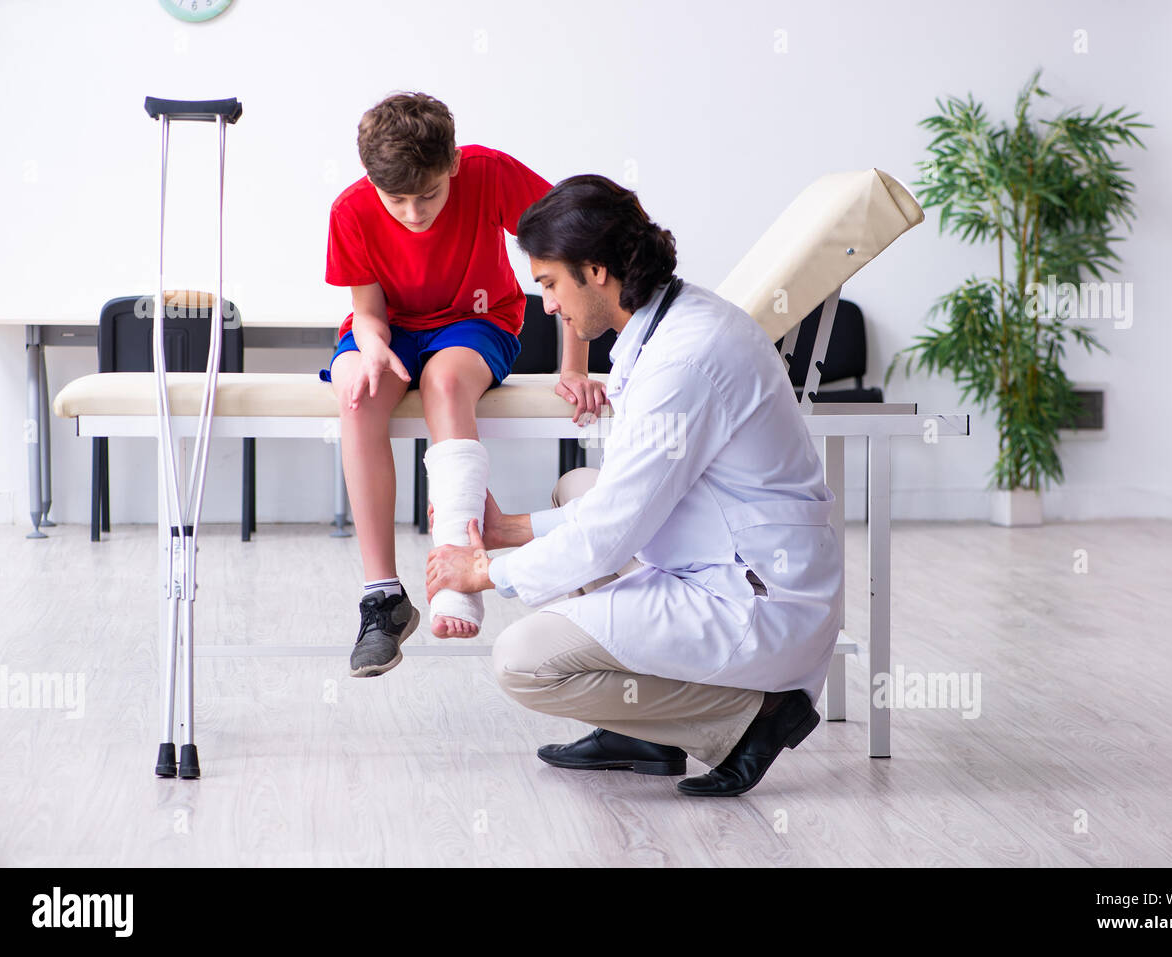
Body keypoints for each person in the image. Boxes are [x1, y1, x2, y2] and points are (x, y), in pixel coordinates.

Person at [425, 175, 845, 796]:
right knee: (577, 486)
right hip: (726, 552)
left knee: (524, 662)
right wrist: (509, 530)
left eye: (548, 284)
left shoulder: (684, 360)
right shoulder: (669, 321)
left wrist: (485, 571)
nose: (547, 306)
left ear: (595, 271)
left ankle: (751, 717)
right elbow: (620, 501)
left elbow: (608, 537)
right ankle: (641, 731)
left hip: (758, 596)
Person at [317, 92, 607, 677]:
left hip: (478, 320)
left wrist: (572, 366)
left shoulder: (489, 173)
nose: (413, 213)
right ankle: (383, 597)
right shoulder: (350, 209)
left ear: (452, 165)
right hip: (389, 328)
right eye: (395, 200)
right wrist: (371, 346)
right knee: (360, 392)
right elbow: (368, 312)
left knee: (444, 379)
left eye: (427, 195)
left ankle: (460, 556)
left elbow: (573, 253)